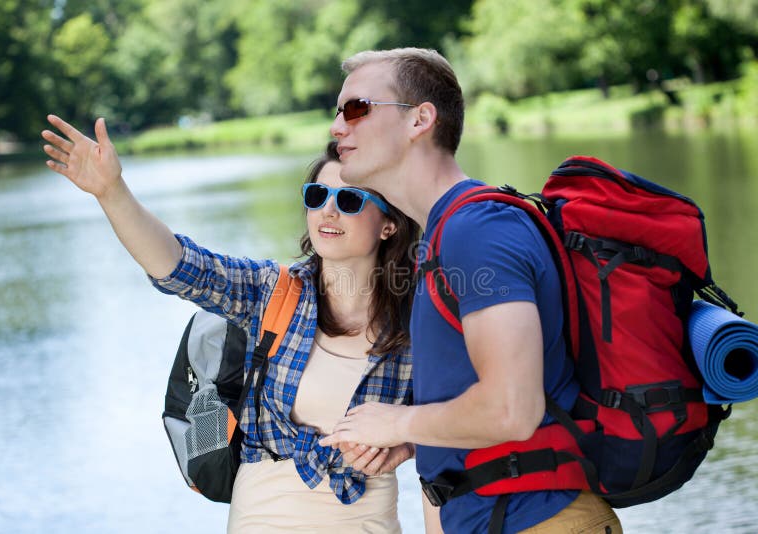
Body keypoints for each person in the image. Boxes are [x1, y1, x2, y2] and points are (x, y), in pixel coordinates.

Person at [40, 116, 422, 533]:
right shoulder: (271, 291)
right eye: (317, 196)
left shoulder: (419, 319)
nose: (328, 210)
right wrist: (112, 193)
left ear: (389, 223)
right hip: (262, 519)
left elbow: (475, 414)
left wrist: (409, 442)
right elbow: (180, 266)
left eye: (349, 200)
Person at [319, 48, 624, 533]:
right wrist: (421, 442)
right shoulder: (442, 235)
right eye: (338, 112)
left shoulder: (477, 230)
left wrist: (398, 423)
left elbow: (512, 409)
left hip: (542, 520)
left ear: (420, 120)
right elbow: (493, 402)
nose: (337, 127)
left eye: (356, 108)